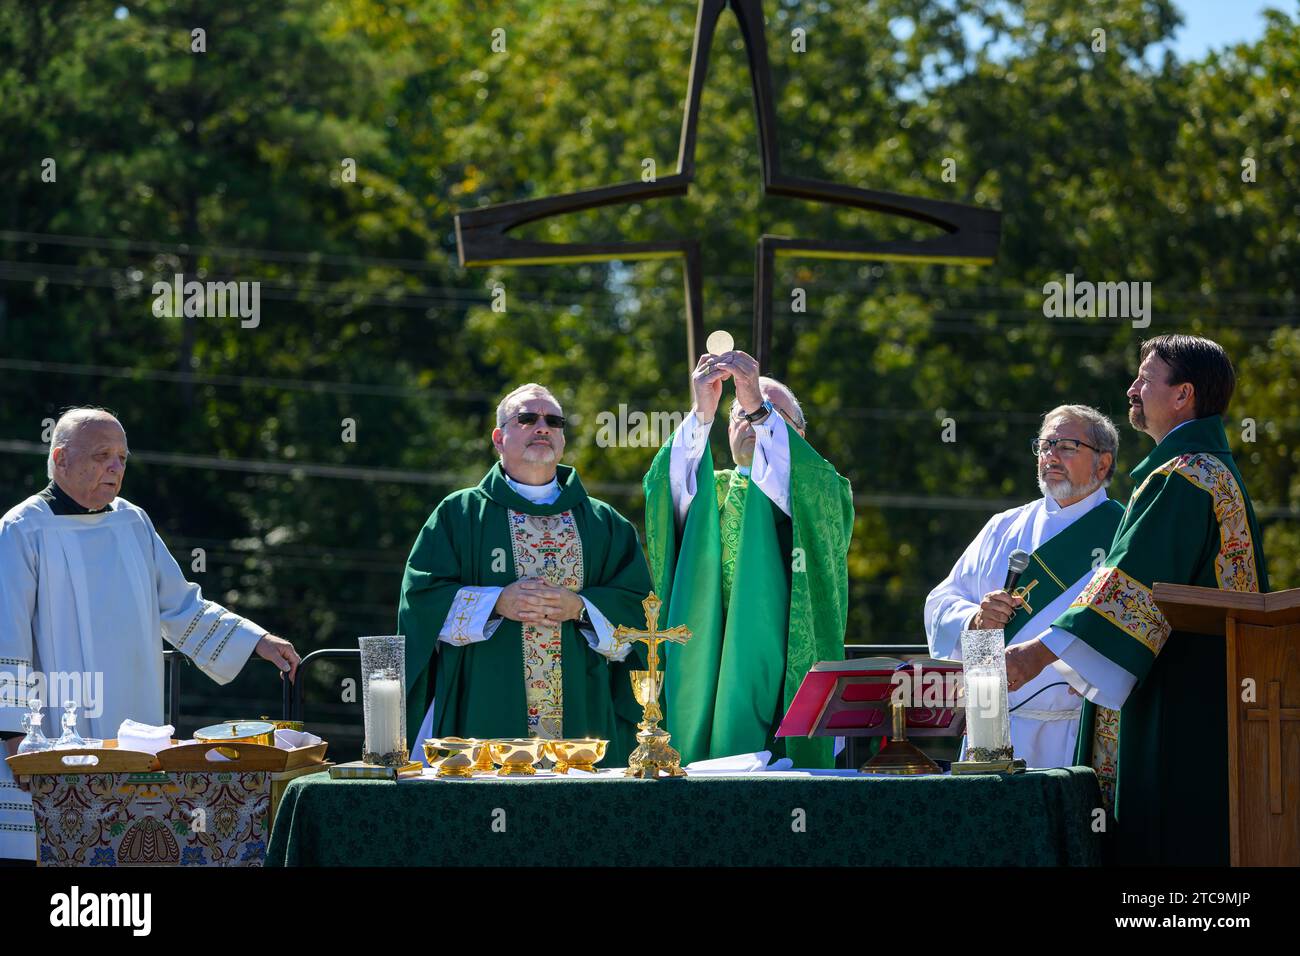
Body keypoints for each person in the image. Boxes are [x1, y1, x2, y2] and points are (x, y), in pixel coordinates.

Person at [1006, 335, 1268, 865]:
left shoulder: (1182, 477)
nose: (1132, 388)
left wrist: (1037, 652)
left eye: (1146, 378)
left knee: (1166, 846)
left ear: (1182, 395)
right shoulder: (1210, 470)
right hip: (1214, 686)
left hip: (1178, 696)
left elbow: (1128, 587)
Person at [0, 408, 301, 862]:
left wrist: (254, 639)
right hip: (53, 721)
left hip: (130, 716)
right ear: (60, 459)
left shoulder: (133, 522)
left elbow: (180, 605)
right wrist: (14, 732)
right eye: (103, 456)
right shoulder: (22, 529)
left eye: (122, 457)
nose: (116, 468)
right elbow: (7, 636)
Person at [400, 384, 652, 764]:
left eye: (553, 421)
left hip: (583, 711)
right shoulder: (461, 514)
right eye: (527, 418)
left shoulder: (605, 524)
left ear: (563, 440)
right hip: (484, 704)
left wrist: (581, 608)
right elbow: (420, 601)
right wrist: (495, 602)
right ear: (499, 438)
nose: (542, 427)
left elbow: (639, 609)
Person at [643, 350, 853, 768]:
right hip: (703, 668)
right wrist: (702, 412)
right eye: (741, 411)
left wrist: (757, 405)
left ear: (799, 438)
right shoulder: (705, 487)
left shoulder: (818, 485)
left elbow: (806, 483)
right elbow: (662, 492)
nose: (753, 419)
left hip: (781, 673)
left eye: (771, 413)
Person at [925, 405, 1123, 768]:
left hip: (1080, 730)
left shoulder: (1123, 534)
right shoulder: (1004, 526)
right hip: (992, 724)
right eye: (1045, 445)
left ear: (1103, 463)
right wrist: (975, 619)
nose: (1050, 456)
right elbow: (940, 601)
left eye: (1066, 446)